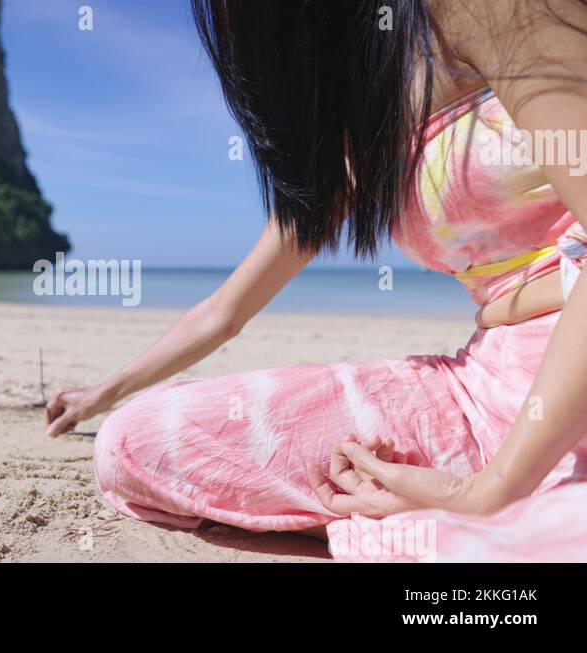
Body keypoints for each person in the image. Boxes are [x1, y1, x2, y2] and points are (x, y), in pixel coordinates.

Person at [45, 0, 587, 561]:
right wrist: (102, 395)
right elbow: (223, 313)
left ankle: (479, 521)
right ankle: (464, 525)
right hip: (479, 389)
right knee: (134, 445)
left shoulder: (493, 11)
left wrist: (492, 490)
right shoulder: (370, 115)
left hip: (563, 391)